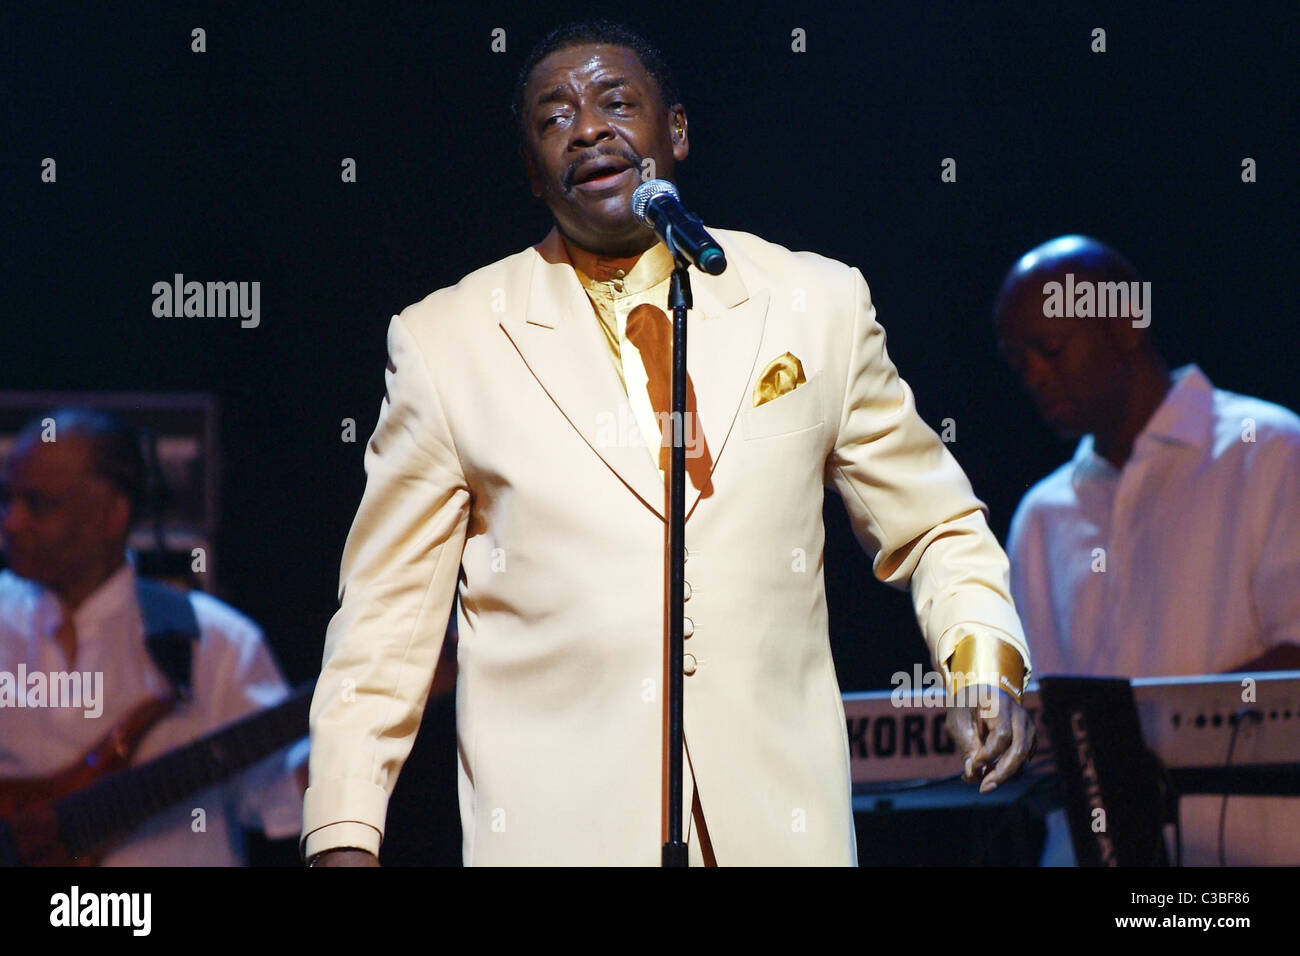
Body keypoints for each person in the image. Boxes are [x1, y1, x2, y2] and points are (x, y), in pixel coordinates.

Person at [304, 20, 1036, 867]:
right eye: (554, 118)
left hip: (778, 834)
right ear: (533, 178)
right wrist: (344, 835)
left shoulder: (815, 305)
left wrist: (982, 660)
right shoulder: (449, 340)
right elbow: (383, 623)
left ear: (675, 133)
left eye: (616, 102)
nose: (586, 127)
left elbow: (936, 523)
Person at [995, 234, 1300, 866]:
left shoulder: (1269, 450)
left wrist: (1140, 741)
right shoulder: (1041, 516)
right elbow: (1040, 720)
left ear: (1128, 324)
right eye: (1018, 361)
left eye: (1049, 348)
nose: (1034, 374)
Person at [0, 408, 307, 866]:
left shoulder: (217, 643)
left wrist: (356, 718)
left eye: (38, 504)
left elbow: (285, 800)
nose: (11, 522)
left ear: (112, 514)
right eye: (8, 499)